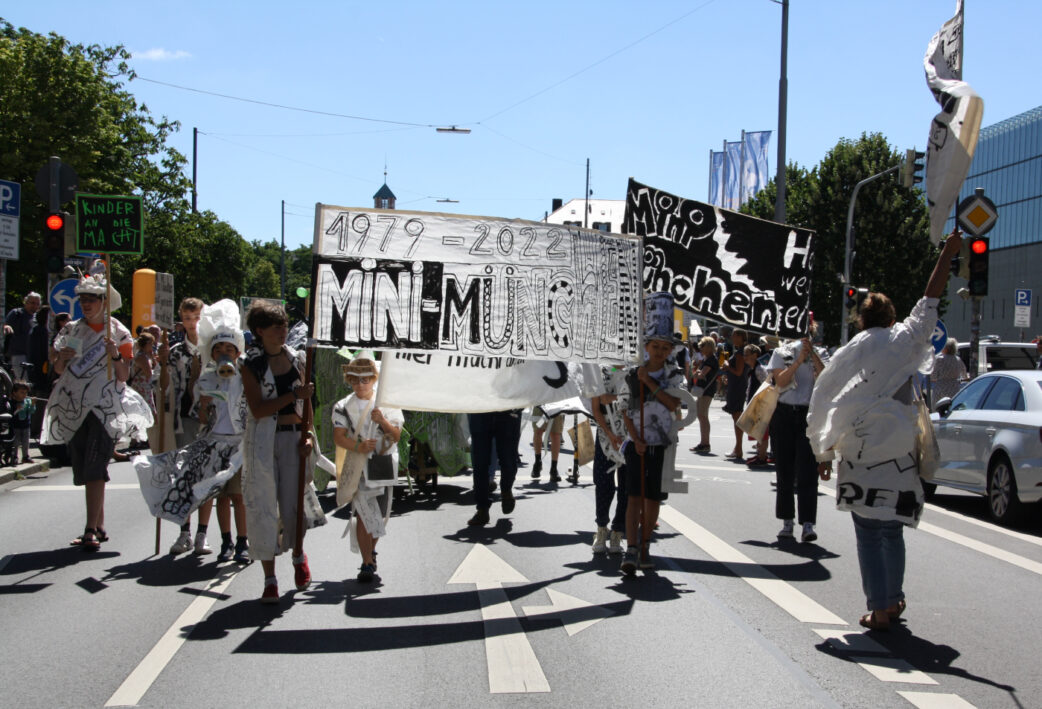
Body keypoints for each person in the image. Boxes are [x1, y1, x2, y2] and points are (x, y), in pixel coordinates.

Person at [807, 232, 963, 632]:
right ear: (893, 318)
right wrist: (948, 252)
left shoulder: (851, 350)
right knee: (892, 531)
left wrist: (822, 451)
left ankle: (877, 608)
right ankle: (891, 602)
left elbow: (823, 397)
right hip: (899, 455)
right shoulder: (907, 338)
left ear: (861, 320)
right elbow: (931, 296)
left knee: (867, 532)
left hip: (858, 454)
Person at [42, 272, 152, 551]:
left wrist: (115, 354)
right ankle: (99, 525)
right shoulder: (72, 331)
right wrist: (62, 358)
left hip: (105, 409)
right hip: (75, 407)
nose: (87, 304)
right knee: (84, 468)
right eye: (83, 299)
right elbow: (58, 370)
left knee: (95, 466)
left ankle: (90, 529)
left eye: (92, 299)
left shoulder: (119, 332)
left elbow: (124, 375)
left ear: (104, 301)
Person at [240, 301, 315, 603]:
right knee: (263, 509)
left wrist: (308, 435)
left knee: (294, 506)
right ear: (260, 331)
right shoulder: (250, 364)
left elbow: (306, 401)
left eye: (284, 325)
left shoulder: (297, 358)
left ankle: (298, 556)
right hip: (263, 442)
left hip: (293, 438)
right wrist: (292, 394)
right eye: (275, 327)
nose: (282, 331)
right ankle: (269, 578)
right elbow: (258, 409)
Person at [621, 295, 683, 575]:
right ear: (646, 346)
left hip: (662, 443)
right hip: (637, 443)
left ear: (670, 350)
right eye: (655, 346)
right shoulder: (633, 371)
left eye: (664, 347)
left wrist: (650, 383)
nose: (659, 351)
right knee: (634, 495)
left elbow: (673, 405)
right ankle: (631, 547)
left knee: (653, 497)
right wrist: (635, 438)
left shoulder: (673, 374)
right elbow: (625, 408)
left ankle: (645, 543)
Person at [332, 352, 403, 582]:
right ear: (349, 380)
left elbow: (396, 436)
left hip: (383, 463)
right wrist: (358, 446)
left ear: (374, 379)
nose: (360, 384)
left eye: (365, 379)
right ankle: (366, 562)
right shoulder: (343, 406)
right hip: (359, 465)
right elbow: (339, 437)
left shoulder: (388, 402)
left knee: (379, 516)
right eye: (355, 379)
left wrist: (382, 421)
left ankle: (370, 552)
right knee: (363, 513)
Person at [768, 325, 827, 542]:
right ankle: (787, 521)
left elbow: (826, 379)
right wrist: (797, 361)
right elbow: (781, 381)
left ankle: (808, 523)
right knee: (784, 470)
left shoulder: (820, 353)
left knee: (808, 471)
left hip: (807, 415)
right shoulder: (780, 353)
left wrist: (812, 355)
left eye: (807, 334)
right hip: (784, 413)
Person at [166, 298, 215, 556]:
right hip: (185, 418)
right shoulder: (176, 352)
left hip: (210, 420)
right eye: (187, 318)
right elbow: (167, 389)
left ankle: (202, 534)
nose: (192, 323)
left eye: (196, 318)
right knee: (184, 475)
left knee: (207, 476)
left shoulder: (213, 349)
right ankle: (184, 531)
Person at [589, 366, 628, 554]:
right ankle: (601, 528)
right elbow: (596, 407)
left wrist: (612, 398)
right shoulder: (601, 370)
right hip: (606, 436)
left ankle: (618, 532)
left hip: (630, 435)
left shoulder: (635, 371)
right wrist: (610, 434)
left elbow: (638, 402)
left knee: (627, 488)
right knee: (603, 483)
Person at [466, 408, 522, 527]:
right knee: (480, 461)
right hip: (480, 409)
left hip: (508, 409)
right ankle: (482, 508)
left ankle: (506, 490)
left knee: (508, 458)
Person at [721, 329, 750, 459]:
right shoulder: (741, 351)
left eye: (733, 336)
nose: (732, 338)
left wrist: (727, 366)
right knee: (736, 416)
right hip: (737, 385)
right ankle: (737, 448)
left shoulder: (740, 353)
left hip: (737, 387)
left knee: (737, 417)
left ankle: (738, 448)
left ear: (739, 336)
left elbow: (739, 372)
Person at [689, 336, 719, 453]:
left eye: (702, 345)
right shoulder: (708, 359)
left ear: (708, 347)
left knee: (702, 416)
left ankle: (705, 443)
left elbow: (701, 375)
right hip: (704, 390)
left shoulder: (710, 360)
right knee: (701, 415)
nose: (700, 348)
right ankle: (704, 442)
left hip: (707, 390)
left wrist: (696, 372)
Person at [743, 344, 771, 467]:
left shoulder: (759, 369)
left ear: (755, 355)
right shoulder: (753, 369)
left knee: (762, 432)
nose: (745, 357)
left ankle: (762, 456)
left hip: (760, 404)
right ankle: (760, 453)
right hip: (755, 404)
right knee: (758, 431)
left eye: (747, 354)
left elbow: (767, 384)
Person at [4, 292, 42, 378]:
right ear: (26, 302)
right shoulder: (16, 313)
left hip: (34, 356)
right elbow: (5, 326)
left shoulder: (39, 318)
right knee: (22, 380)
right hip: (18, 354)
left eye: (37, 304)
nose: (35, 306)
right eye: (32, 303)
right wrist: (6, 327)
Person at [930, 338, 967, 407]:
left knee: (938, 409)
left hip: (940, 388)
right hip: (955, 388)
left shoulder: (940, 359)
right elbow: (964, 374)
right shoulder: (958, 360)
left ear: (946, 348)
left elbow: (933, 376)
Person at [530, 406, 563, 482]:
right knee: (538, 431)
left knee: (555, 434)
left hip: (557, 404)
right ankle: (537, 462)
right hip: (540, 403)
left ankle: (554, 468)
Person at [7, 381, 35, 464]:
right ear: (15, 393)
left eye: (26, 393)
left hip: (26, 425)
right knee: (15, 442)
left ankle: (25, 456)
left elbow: (31, 411)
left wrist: (32, 404)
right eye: (22, 392)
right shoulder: (12, 402)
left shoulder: (27, 401)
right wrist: (17, 410)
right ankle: (14, 456)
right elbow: (11, 414)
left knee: (25, 442)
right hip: (15, 426)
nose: (24, 395)